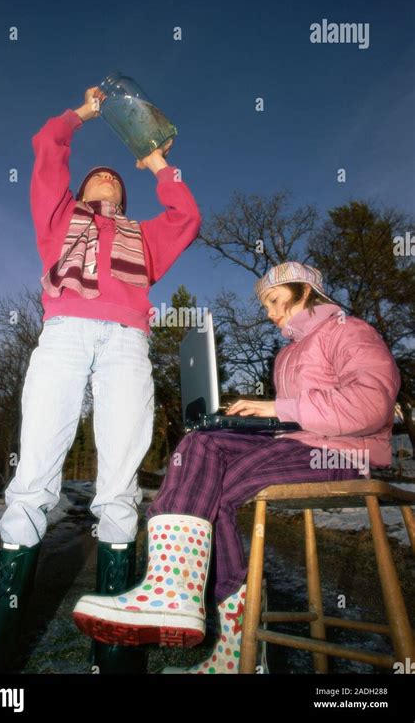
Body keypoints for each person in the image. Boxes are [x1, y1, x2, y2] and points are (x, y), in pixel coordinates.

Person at [0, 87, 202, 673]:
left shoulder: (143, 238)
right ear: (82, 188)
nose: (107, 182)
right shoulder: (58, 214)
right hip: (66, 334)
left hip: (127, 343)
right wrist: (87, 112)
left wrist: (156, 165)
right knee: (36, 463)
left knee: (119, 478)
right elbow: (48, 147)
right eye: (99, 177)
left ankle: (115, 639)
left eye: (115, 181)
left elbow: (187, 218)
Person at [72, 261, 401, 674]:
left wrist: (279, 408)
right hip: (297, 444)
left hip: (344, 454)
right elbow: (298, 418)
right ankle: (175, 591)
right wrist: (252, 421)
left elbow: (371, 406)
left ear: (304, 293)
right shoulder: (287, 354)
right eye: (266, 304)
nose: (268, 312)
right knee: (201, 442)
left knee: (218, 489)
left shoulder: (350, 331)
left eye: (275, 301)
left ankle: (224, 641)